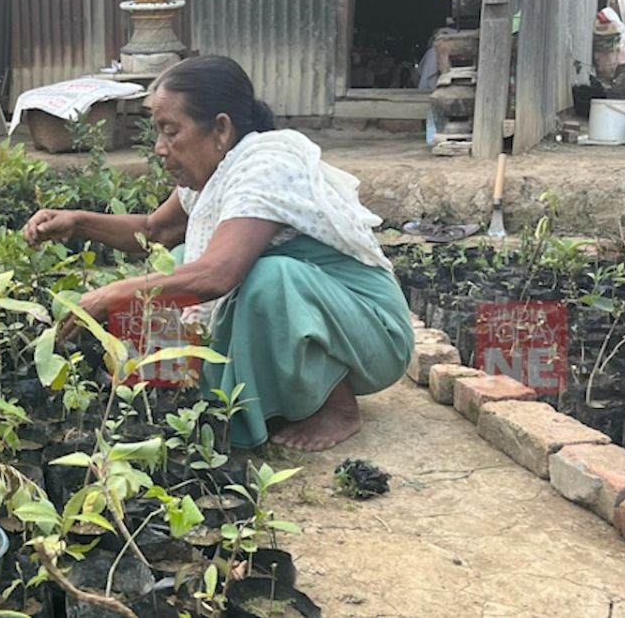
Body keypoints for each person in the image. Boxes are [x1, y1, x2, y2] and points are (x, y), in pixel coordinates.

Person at [22, 55, 414, 452]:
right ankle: (168, 378)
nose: (159, 148)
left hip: (372, 333)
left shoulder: (266, 167)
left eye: (171, 131)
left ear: (221, 129)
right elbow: (155, 231)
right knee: (178, 261)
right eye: (158, 132)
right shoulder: (211, 174)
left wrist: (113, 294)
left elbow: (218, 273)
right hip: (326, 317)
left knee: (268, 280)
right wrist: (77, 222)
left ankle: (338, 406)